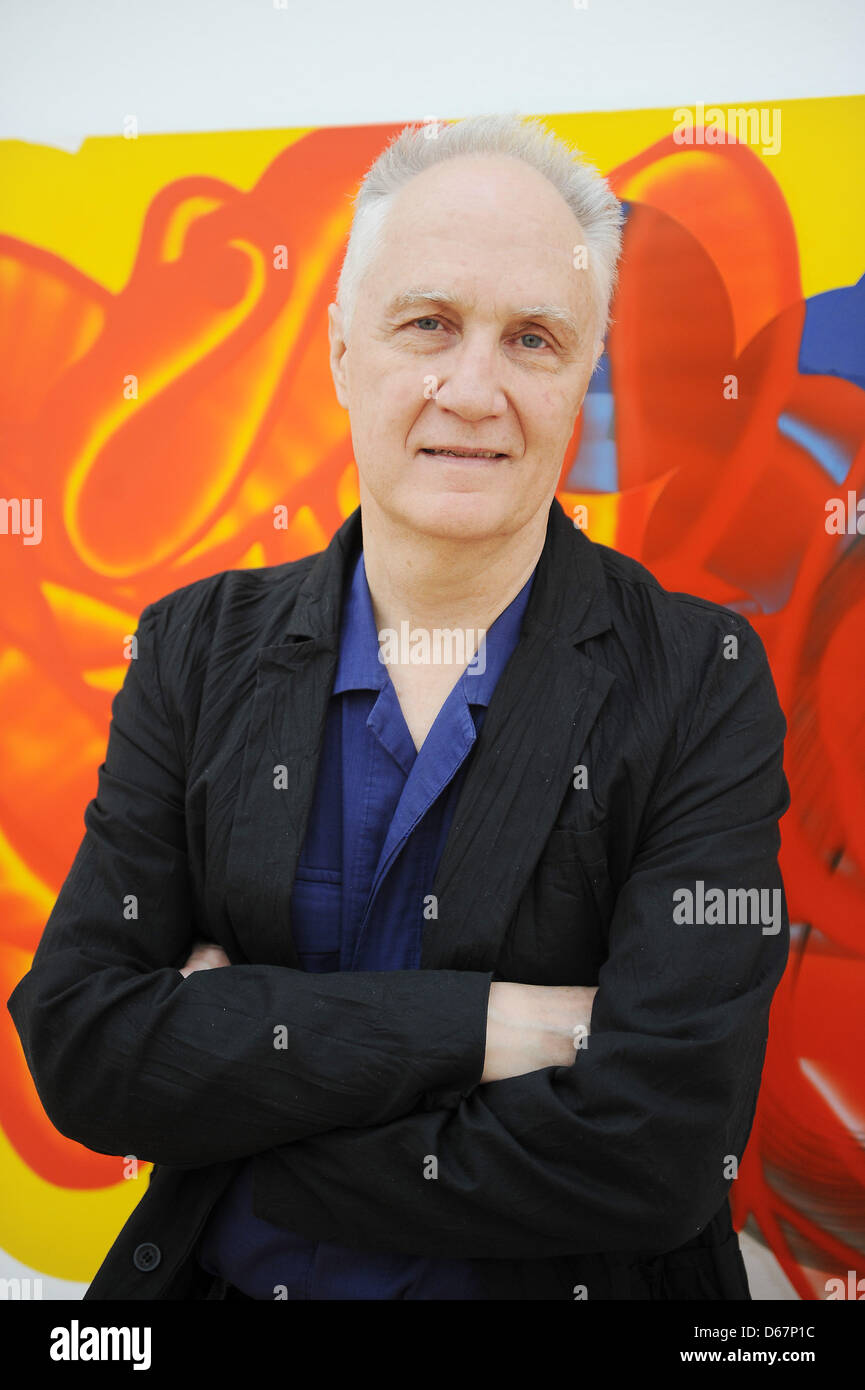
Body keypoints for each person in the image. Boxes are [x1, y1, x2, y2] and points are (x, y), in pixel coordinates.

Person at [7, 113, 789, 1300]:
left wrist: (250, 1105)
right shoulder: (194, 650)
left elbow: (660, 1148)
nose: (471, 390)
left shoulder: (698, 679)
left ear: (584, 371)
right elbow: (82, 1040)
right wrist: (489, 1029)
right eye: (426, 323)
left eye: (532, 338)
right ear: (338, 353)